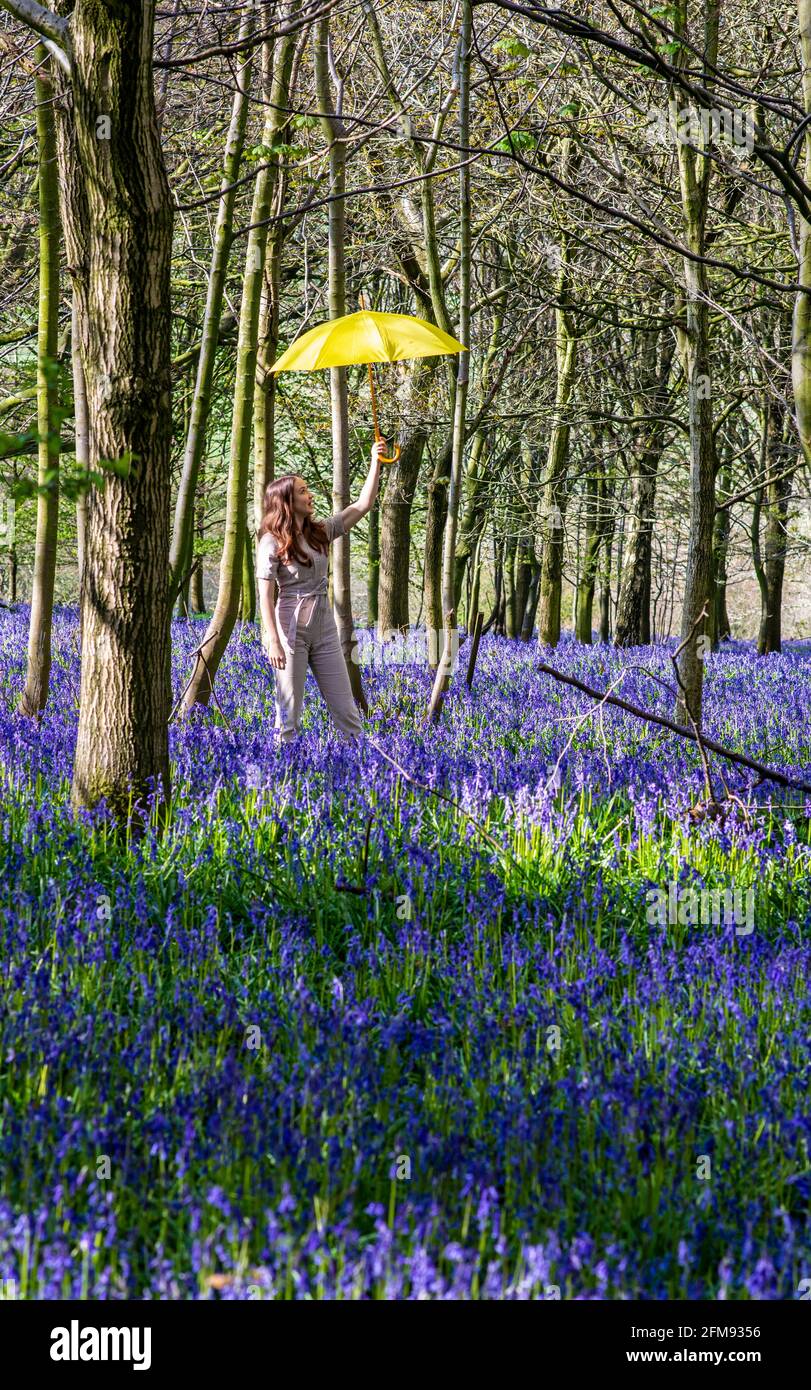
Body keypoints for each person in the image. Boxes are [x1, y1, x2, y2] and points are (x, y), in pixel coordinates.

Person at [256, 443, 384, 744]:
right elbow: (265, 596)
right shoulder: (270, 542)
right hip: (290, 631)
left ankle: (356, 778)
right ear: (286, 500)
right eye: (302, 491)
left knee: (348, 714)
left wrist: (375, 463)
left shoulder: (320, 532)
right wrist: (273, 640)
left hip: (325, 628)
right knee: (288, 716)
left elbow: (363, 505)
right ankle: (282, 777)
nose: (309, 495)